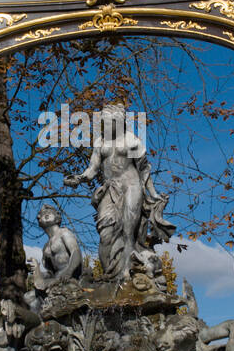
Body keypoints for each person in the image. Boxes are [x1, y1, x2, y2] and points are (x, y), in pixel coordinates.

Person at [65, 103, 174, 281]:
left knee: (128, 230)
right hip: (110, 188)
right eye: (103, 123)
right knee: (105, 233)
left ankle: (126, 271)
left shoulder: (132, 140)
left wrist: (153, 194)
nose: (105, 126)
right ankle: (109, 272)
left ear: (119, 121)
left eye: (108, 123)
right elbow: (92, 168)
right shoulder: (100, 142)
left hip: (131, 186)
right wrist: (79, 178)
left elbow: (144, 169)